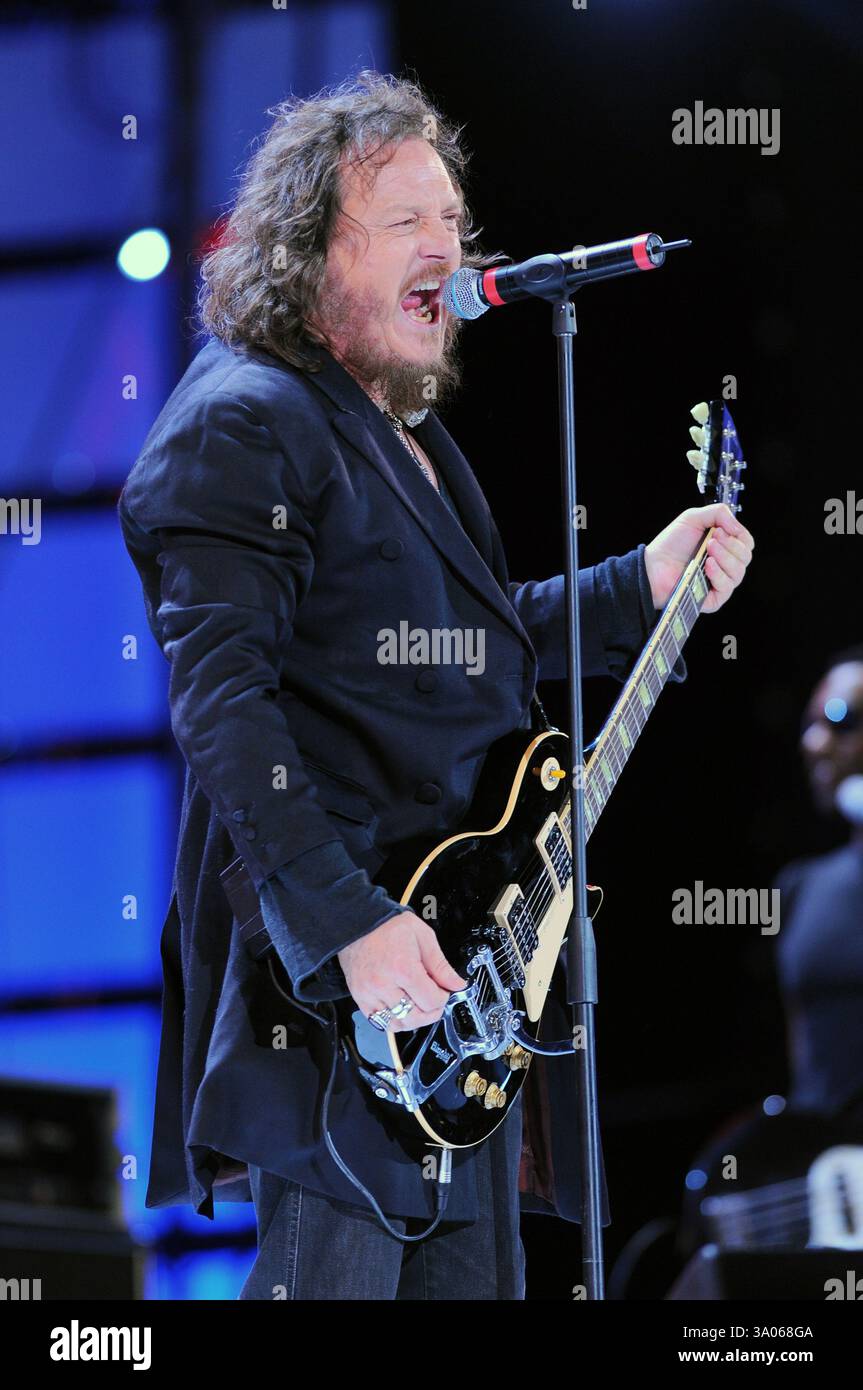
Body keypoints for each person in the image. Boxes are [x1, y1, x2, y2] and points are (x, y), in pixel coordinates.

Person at [118, 71, 754, 1300]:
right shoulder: (241, 419)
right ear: (309, 249)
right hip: (336, 998)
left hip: (459, 976)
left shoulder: (390, 430)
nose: (448, 252)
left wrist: (636, 584)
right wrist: (348, 924)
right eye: (406, 220)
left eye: (454, 223)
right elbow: (223, 708)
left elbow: (467, 646)